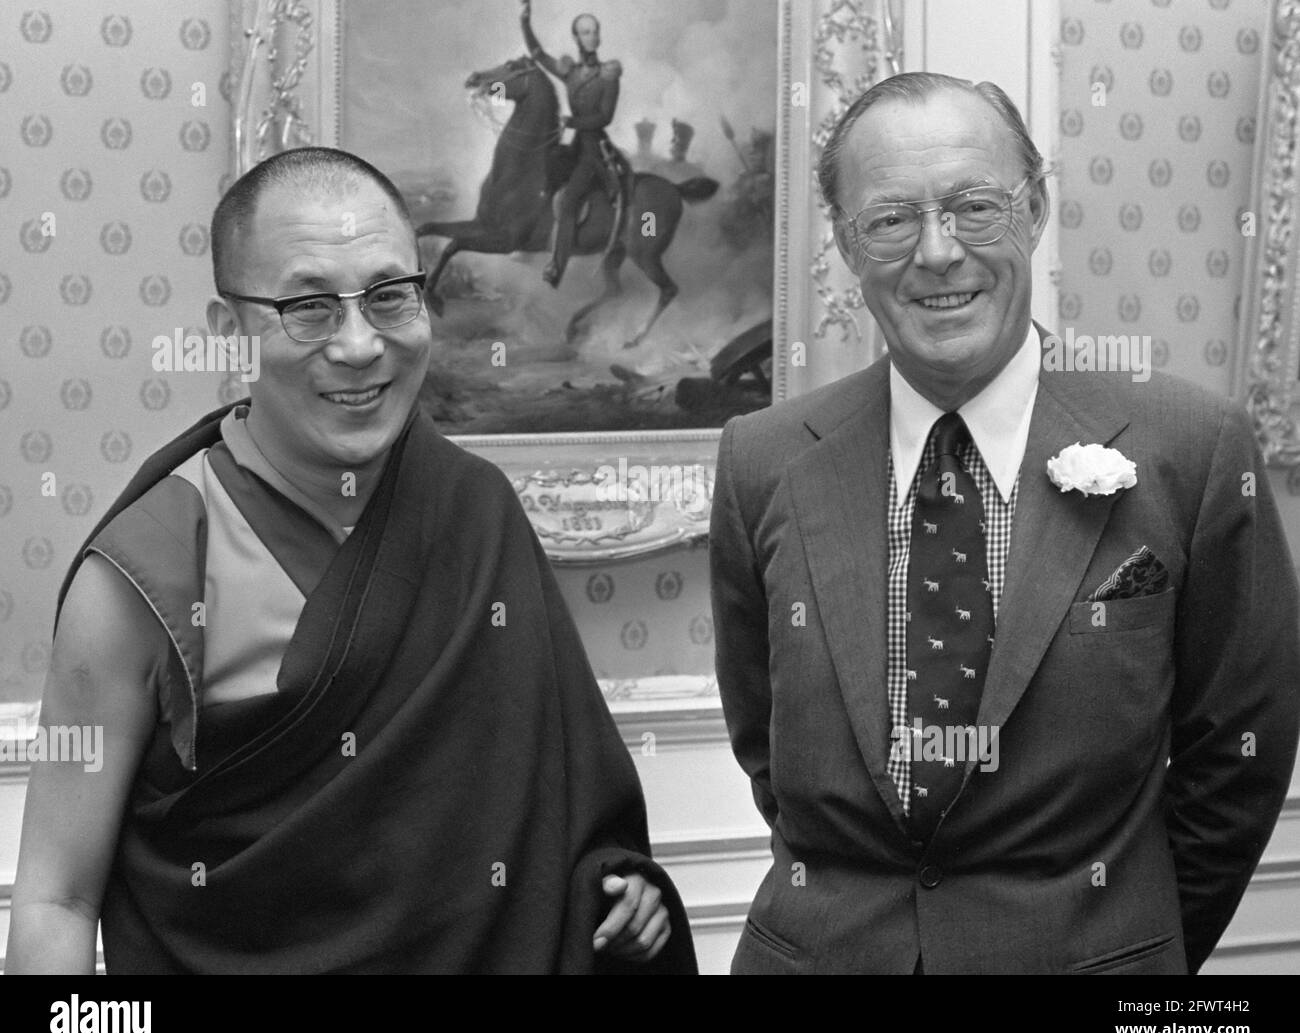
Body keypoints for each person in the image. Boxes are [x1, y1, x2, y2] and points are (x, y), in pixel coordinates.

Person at [6, 146, 695, 975]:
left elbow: (558, 807)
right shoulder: (144, 576)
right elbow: (57, 897)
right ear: (230, 335)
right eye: (309, 308)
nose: (362, 345)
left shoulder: (474, 510)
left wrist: (612, 885)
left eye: (389, 296)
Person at [709, 71, 1300, 974]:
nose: (938, 252)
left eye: (975, 206)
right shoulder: (762, 458)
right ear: (844, 244)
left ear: (1036, 212)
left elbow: (1240, 754)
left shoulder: (1194, 447)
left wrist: (1129, 944)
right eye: (890, 219)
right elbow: (766, 744)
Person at [520, 0, 623, 287]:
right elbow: (538, 54)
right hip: (576, 146)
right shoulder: (571, 73)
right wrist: (525, 21)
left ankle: (557, 267)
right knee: (542, 171)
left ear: (599, 37)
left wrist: (572, 122)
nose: (591, 36)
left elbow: (605, 116)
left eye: (594, 31)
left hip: (594, 152)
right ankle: (527, 241)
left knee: (569, 203)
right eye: (585, 32)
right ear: (576, 38)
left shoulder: (608, 75)